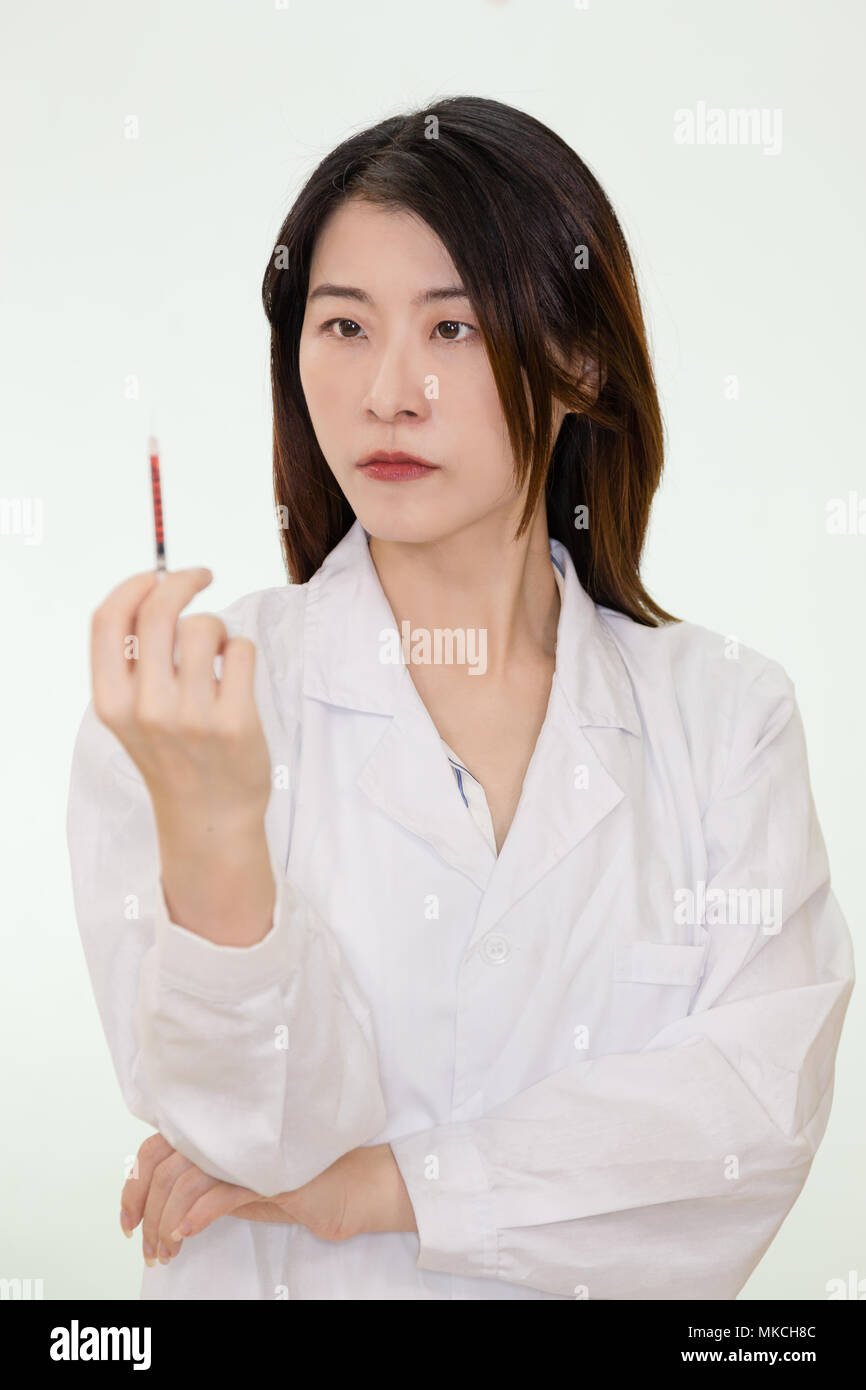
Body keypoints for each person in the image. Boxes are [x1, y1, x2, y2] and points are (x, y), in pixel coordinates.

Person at [66, 95, 854, 1301]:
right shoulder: (189, 707)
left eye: (453, 328)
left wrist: (384, 1185)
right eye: (343, 325)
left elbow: (744, 1120)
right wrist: (219, 829)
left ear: (580, 361)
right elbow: (246, 1137)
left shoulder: (723, 718)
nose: (389, 392)